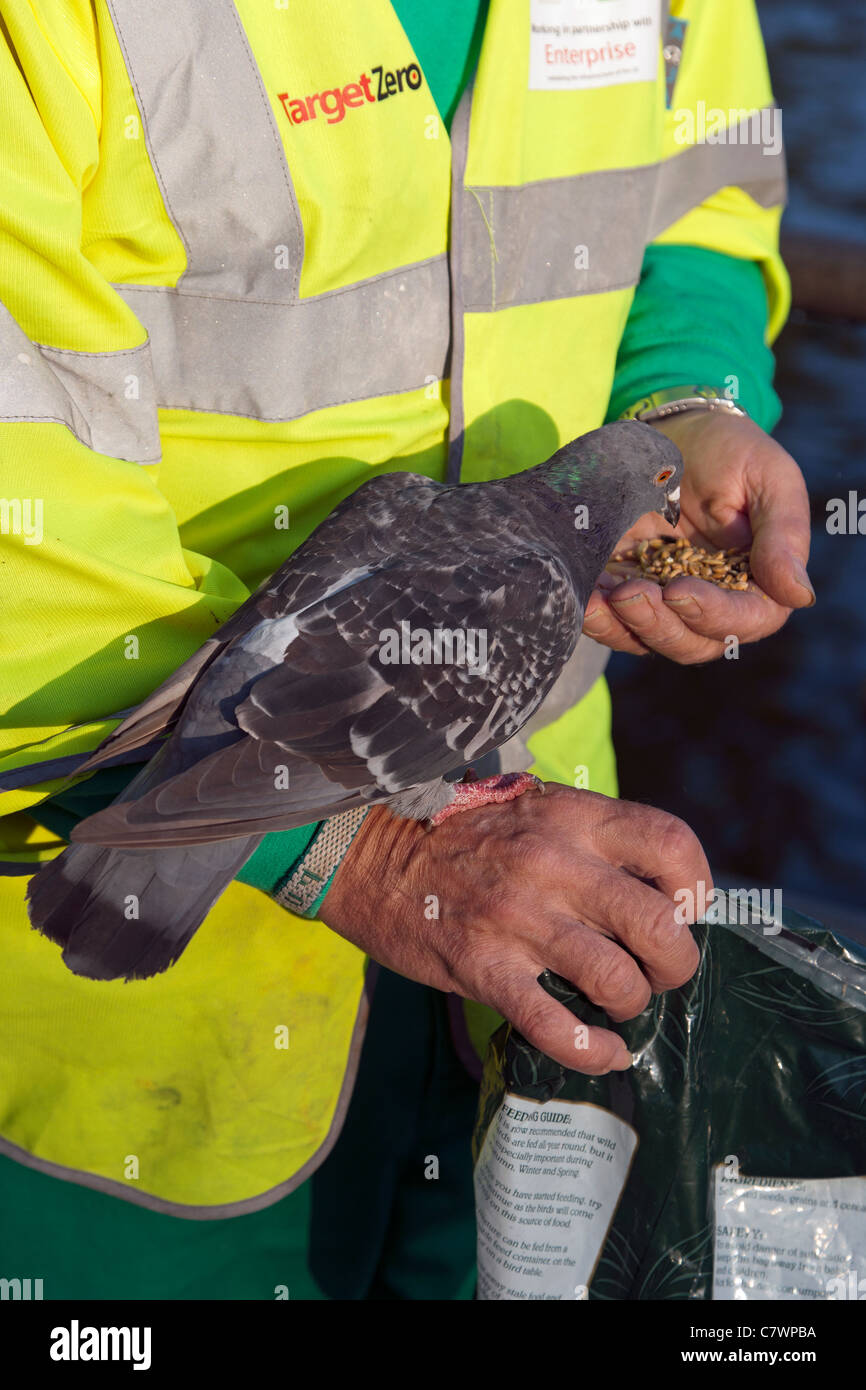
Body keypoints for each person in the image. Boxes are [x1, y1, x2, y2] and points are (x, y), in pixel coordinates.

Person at [0, 0, 812, 1299]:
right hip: (122, 972)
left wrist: (680, 409)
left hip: (532, 915)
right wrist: (360, 844)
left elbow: (696, 187)